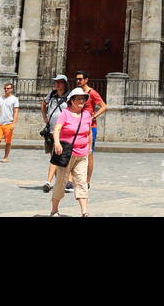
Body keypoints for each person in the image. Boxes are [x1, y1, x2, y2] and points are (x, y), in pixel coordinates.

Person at [50, 88, 93, 217]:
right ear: (71, 101)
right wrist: (57, 143)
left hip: (82, 154)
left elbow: (89, 132)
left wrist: (89, 148)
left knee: (81, 182)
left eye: (83, 98)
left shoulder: (86, 115)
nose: (81, 101)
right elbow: (57, 129)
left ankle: (84, 212)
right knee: (61, 182)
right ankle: (54, 210)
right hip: (66, 154)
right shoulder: (65, 114)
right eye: (78, 98)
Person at [73, 71, 107, 187]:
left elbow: (104, 106)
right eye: (77, 79)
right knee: (75, 153)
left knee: (89, 154)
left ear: (86, 80)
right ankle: (74, 180)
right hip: (76, 126)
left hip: (90, 127)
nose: (78, 81)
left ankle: (87, 181)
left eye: (80, 79)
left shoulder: (92, 93)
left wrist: (94, 116)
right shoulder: (75, 92)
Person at [41, 75, 70, 192]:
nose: (57, 84)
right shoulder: (52, 94)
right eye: (56, 82)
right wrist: (45, 118)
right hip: (51, 129)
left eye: (60, 82)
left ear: (65, 84)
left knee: (56, 155)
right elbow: (43, 104)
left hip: (63, 130)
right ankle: (60, 182)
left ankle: (49, 181)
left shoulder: (69, 96)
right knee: (54, 155)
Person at [0, 83, 19, 162]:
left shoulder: (14, 99)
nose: (6, 90)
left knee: (8, 142)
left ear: (11, 89)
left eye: (8, 88)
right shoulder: (0, 98)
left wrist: (14, 123)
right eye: (5, 88)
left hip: (9, 122)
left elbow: (15, 112)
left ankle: (5, 157)